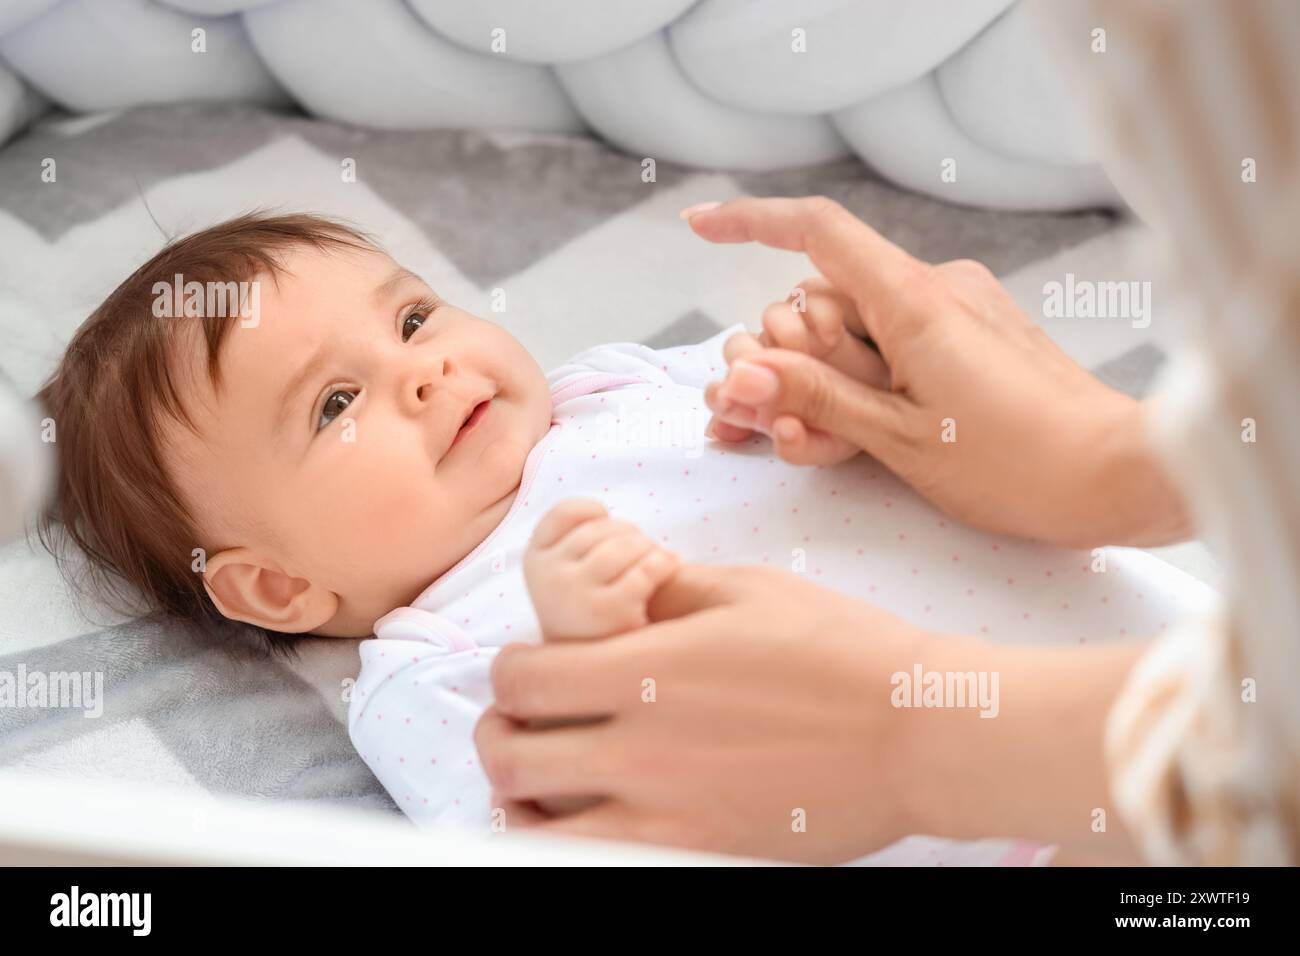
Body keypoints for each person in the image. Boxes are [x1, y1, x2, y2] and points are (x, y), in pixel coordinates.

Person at [474, 0, 1300, 865]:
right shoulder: (426, 650)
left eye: (415, 317)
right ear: (307, 588)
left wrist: (913, 741)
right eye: (333, 405)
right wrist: (1116, 462)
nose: (424, 375)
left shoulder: (610, 387)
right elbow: (526, 819)